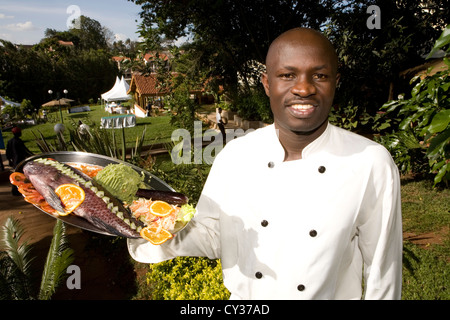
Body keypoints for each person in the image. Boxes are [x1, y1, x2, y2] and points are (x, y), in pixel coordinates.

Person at [128, 27, 403, 300]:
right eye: (287, 75)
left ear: (336, 82)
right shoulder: (234, 156)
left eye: (319, 76)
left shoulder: (369, 162)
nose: (304, 88)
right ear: (267, 84)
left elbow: (384, 271)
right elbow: (211, 234)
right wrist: (134, 225)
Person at [6, 126, 33, 195]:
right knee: (20, 176)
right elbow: (25, 151)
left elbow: (8, 152)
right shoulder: (19, 141)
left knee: (15, 175)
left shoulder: (10, 141)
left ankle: (15, 191)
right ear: (18, 133)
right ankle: (18, 190)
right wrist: (32, 155)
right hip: (20, 161)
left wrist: (9, 160)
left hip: (14, 161)